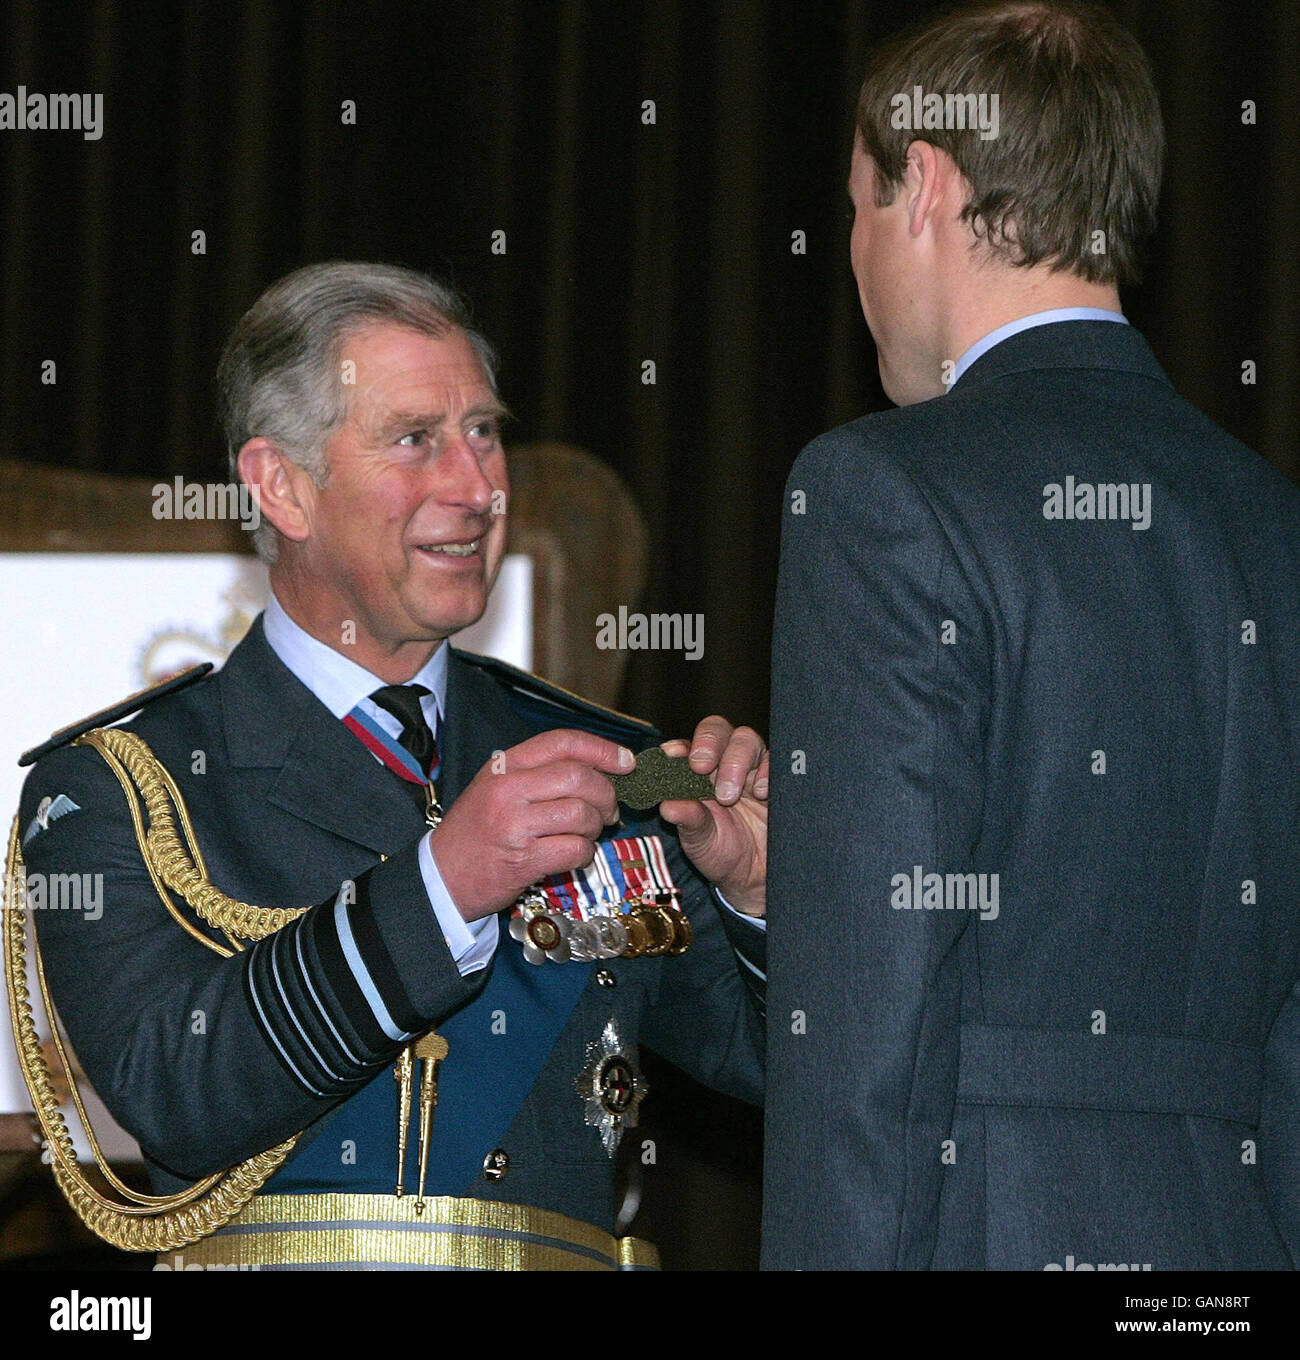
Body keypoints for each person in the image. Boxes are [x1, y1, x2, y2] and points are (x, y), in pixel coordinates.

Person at [16, 261, 767, 1271]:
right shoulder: (120, 786)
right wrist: (442, 888)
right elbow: (177, 1096)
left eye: (484, 432)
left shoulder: (613, 763)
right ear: (281, 485)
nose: (478, 487)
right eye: (417, 440)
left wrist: (761, 896)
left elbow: (789, 1073)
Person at [763, 0, 1300, 1270]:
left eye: (855, 205)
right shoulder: (1275, 528)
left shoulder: (877, 493)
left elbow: (868, 1030)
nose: (850, 253)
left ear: (927, 186)